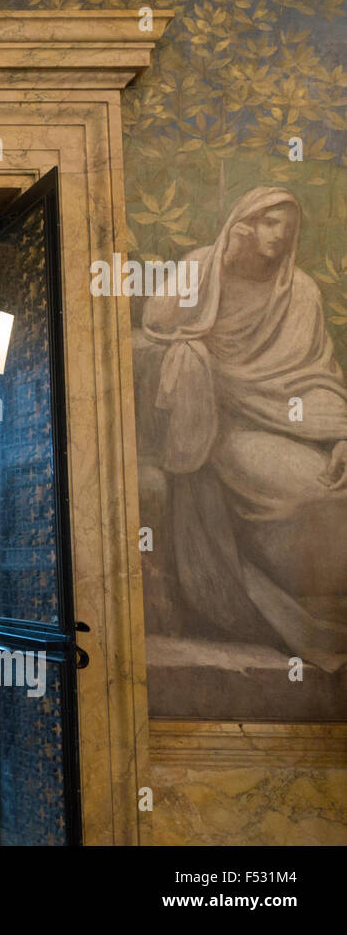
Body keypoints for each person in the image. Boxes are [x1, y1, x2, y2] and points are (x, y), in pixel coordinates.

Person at [143, 186, 347, 671]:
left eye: (288, 225)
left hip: (291, 424)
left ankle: (328, 611)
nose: (280, 233)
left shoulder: (300, 293)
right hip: (224, 428)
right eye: (269, 221)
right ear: (244, 221)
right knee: (306, 496)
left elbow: (318, 375)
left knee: (334, 490)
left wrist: (341, 434)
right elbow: (154, 326)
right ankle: (289, 610)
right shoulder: (200, 267)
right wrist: (223, 261)